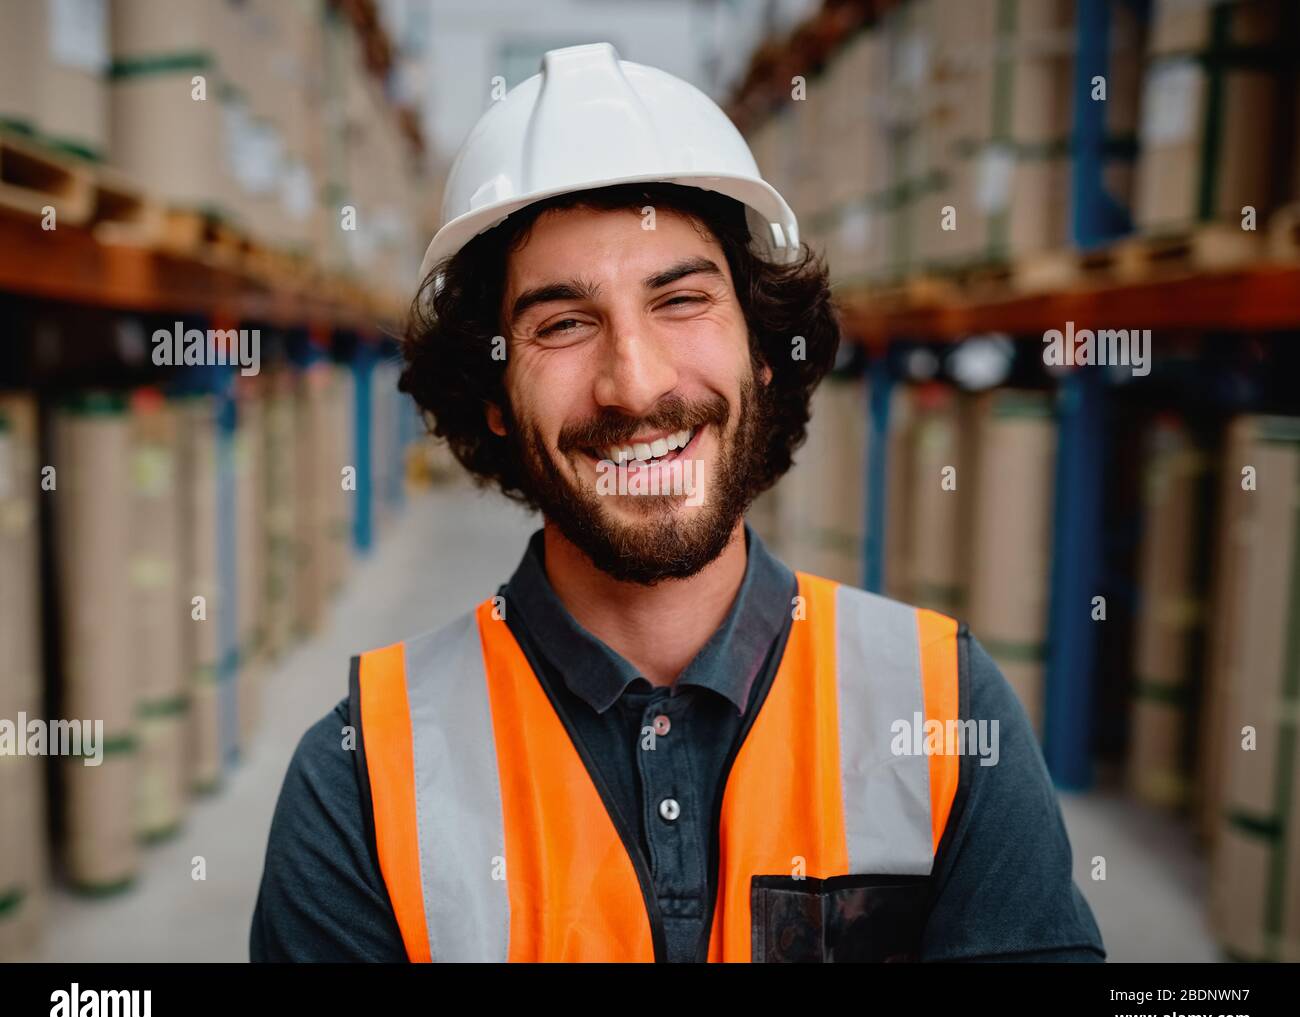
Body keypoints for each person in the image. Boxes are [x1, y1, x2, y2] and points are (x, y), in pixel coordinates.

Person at [250, 42, 1105, 963]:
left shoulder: (944, 708)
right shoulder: (362, 774)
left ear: (764, 353)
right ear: (494, 403)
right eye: (564, 324)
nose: (636, 382)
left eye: (681, 300)